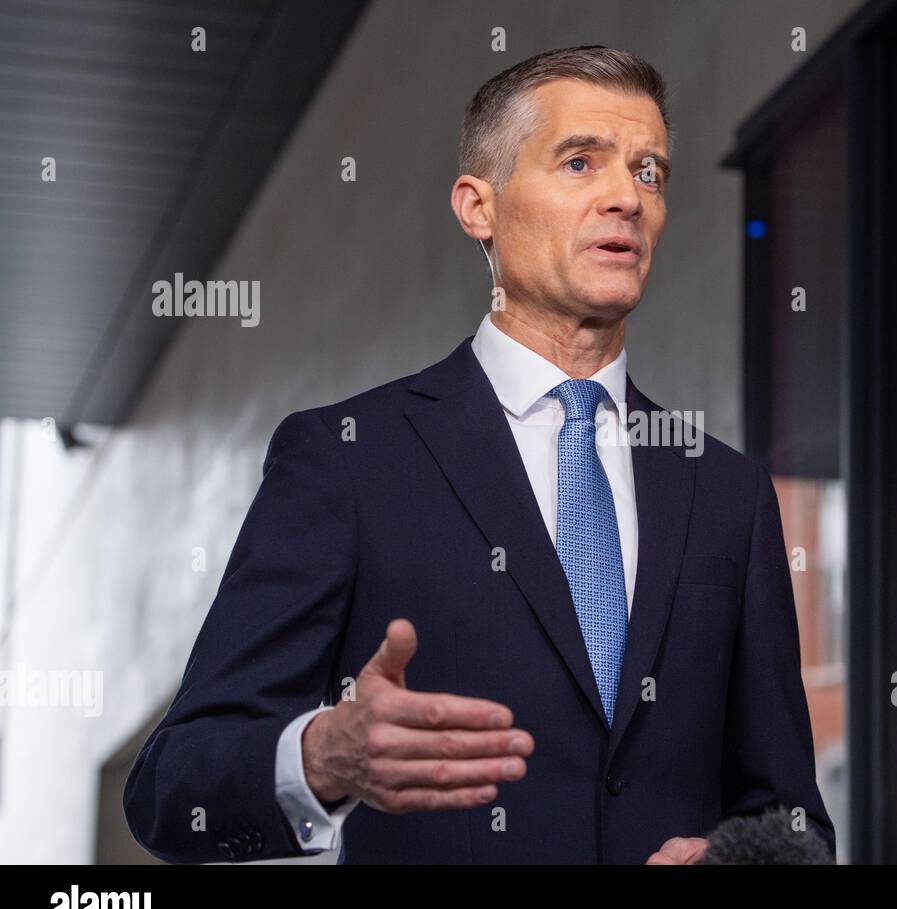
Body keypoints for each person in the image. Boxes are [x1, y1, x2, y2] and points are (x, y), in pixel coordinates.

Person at [123, 45, 835, 865]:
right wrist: (321, 755)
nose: (626, 199)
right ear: (478, 207)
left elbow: (793, 818)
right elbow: (170, 788)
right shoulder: (349, 461)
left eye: (649, 172)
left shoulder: (731, 493)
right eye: (580, 162)